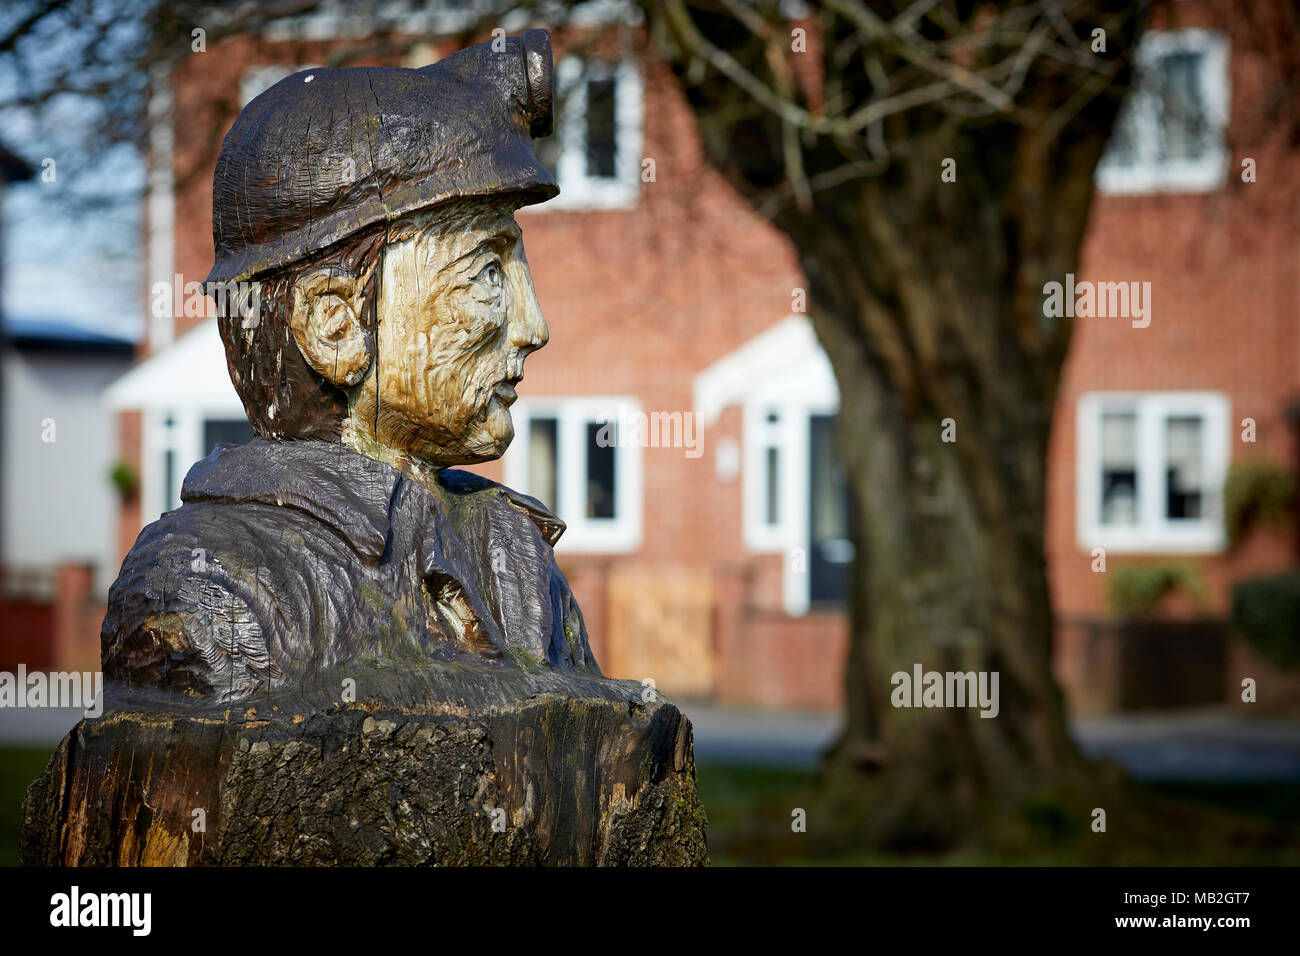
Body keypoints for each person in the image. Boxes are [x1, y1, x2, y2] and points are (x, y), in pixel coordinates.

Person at [102, 30, 601, 702]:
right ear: (334, 324)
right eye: (486, 272)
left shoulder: (516, 559)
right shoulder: (203, 585)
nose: (532, 327)